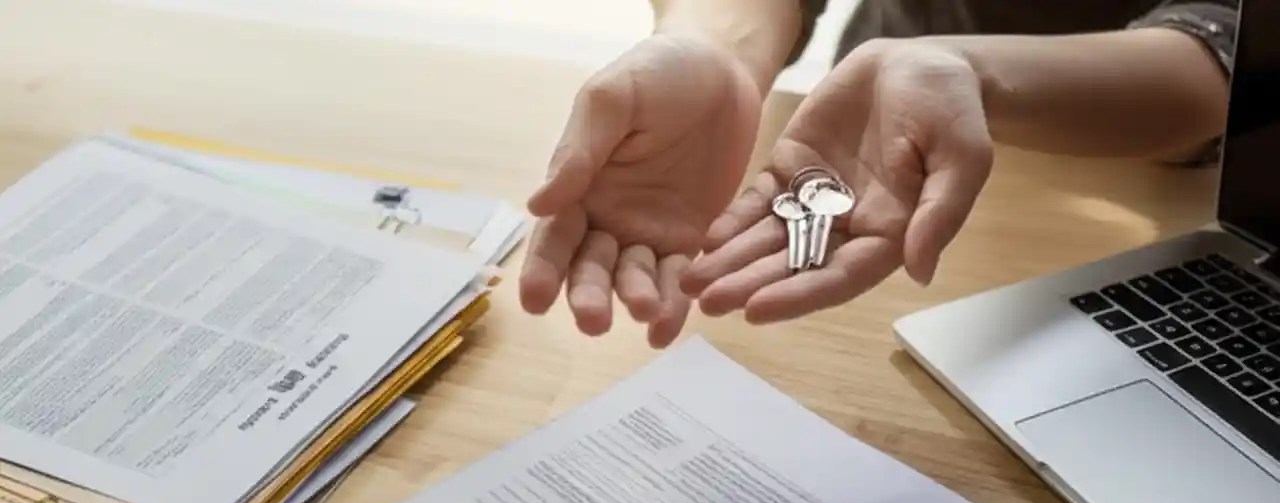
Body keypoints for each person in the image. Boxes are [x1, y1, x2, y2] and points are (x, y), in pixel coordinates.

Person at [518, 0, 1239, 348]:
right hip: (860, 135)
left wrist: (971, 72)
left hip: (1144, 183)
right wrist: (717, 48)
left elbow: (1234, 33)